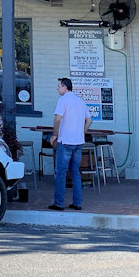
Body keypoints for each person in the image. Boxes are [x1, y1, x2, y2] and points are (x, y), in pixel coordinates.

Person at [49, 77, 91, 211]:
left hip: (65, 141)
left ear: (65, 87)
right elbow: (89, 120)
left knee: (60, 173)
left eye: (59, 86)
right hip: (78, 142)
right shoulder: (80, 101)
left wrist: (55, 135)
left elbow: (57, 119)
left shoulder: (63, 100)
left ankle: (59, 203)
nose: (57, 88)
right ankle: (77, 203)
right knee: (75, 173)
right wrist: (82, 132)